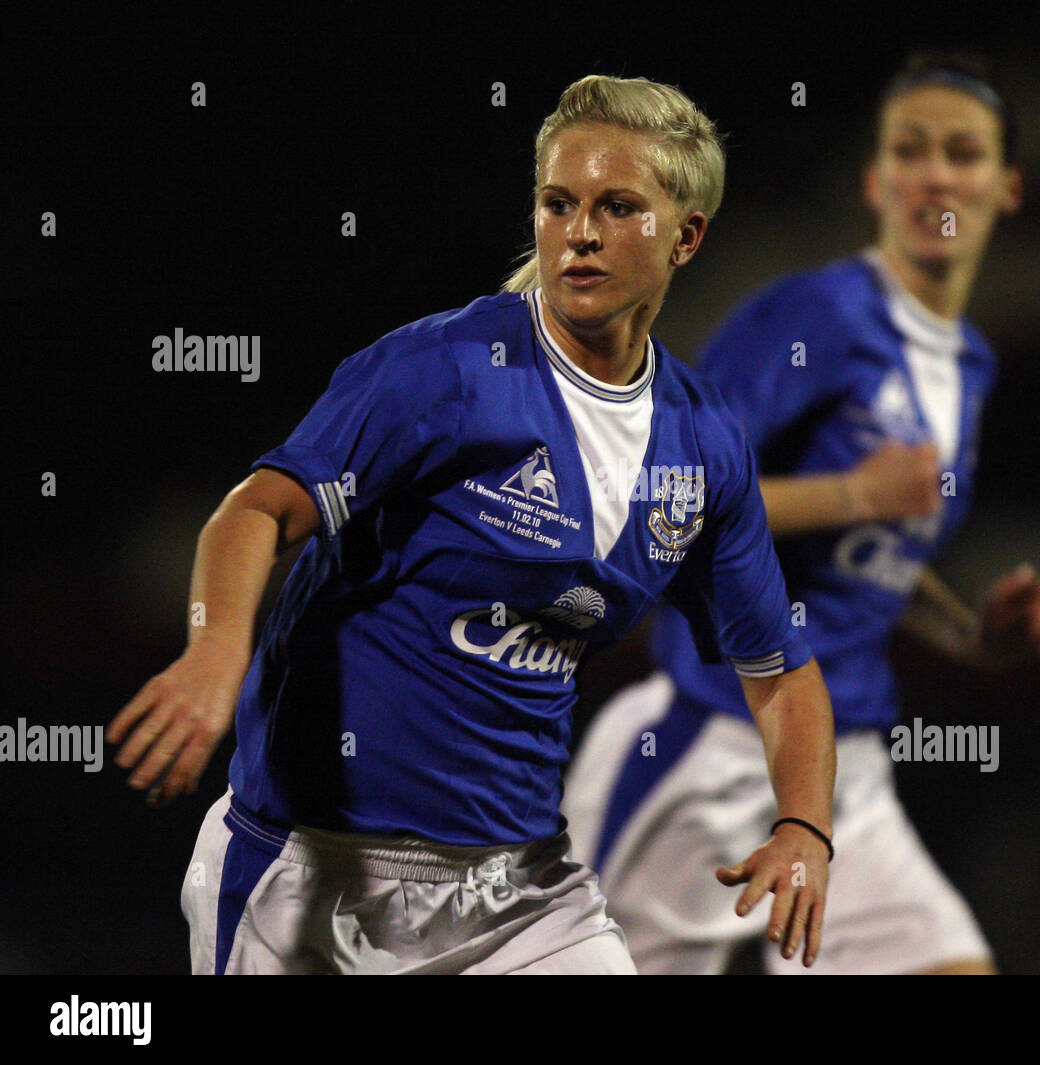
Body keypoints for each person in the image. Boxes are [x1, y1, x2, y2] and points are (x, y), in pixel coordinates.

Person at [107, 74, 837, 975]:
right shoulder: (446, 370)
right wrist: (213, 656)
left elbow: (783, 674)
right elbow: (256, 510)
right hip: (313, 879)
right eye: (557, 203)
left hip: (525, 900)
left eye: (616, 207)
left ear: (686, 236)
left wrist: (806, 827)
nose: (579, 232)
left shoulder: (703, 444)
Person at [563, 51, 1040, 975]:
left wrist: (975, 635)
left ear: (1006, 188)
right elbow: (660, 488)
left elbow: (868, 555)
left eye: (961, 152)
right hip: (710, 743)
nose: (935, 172)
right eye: (910, 149)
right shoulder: (818, 316)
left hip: (847, 767)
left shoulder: (967, 361)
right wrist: (852, 492)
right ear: (875, 180)